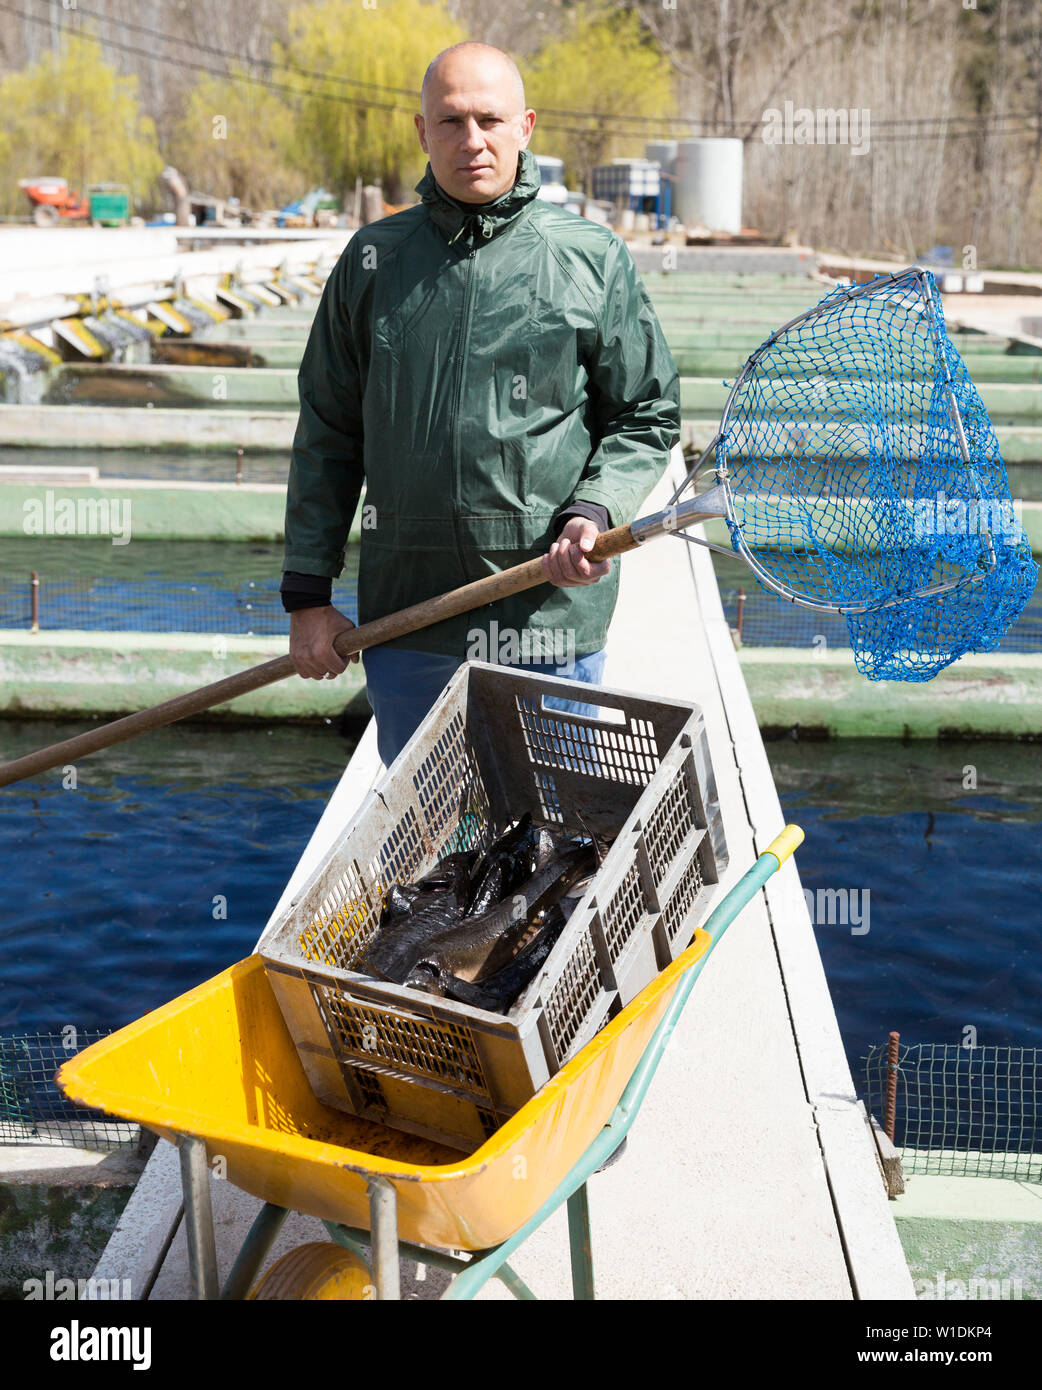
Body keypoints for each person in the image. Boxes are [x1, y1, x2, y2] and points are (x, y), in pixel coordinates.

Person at [281, 41, 680, 768]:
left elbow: (645, 414)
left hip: (547, 619)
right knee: (426, 847)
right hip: (408, 621)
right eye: (452, 121)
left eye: (490, 120)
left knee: (548, 847)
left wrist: (595, 510)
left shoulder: (589, 257)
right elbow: (328, 433)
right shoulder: (373, 261)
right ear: (421, 131)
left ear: (525, 126)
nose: (473, 141)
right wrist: (308, 595)